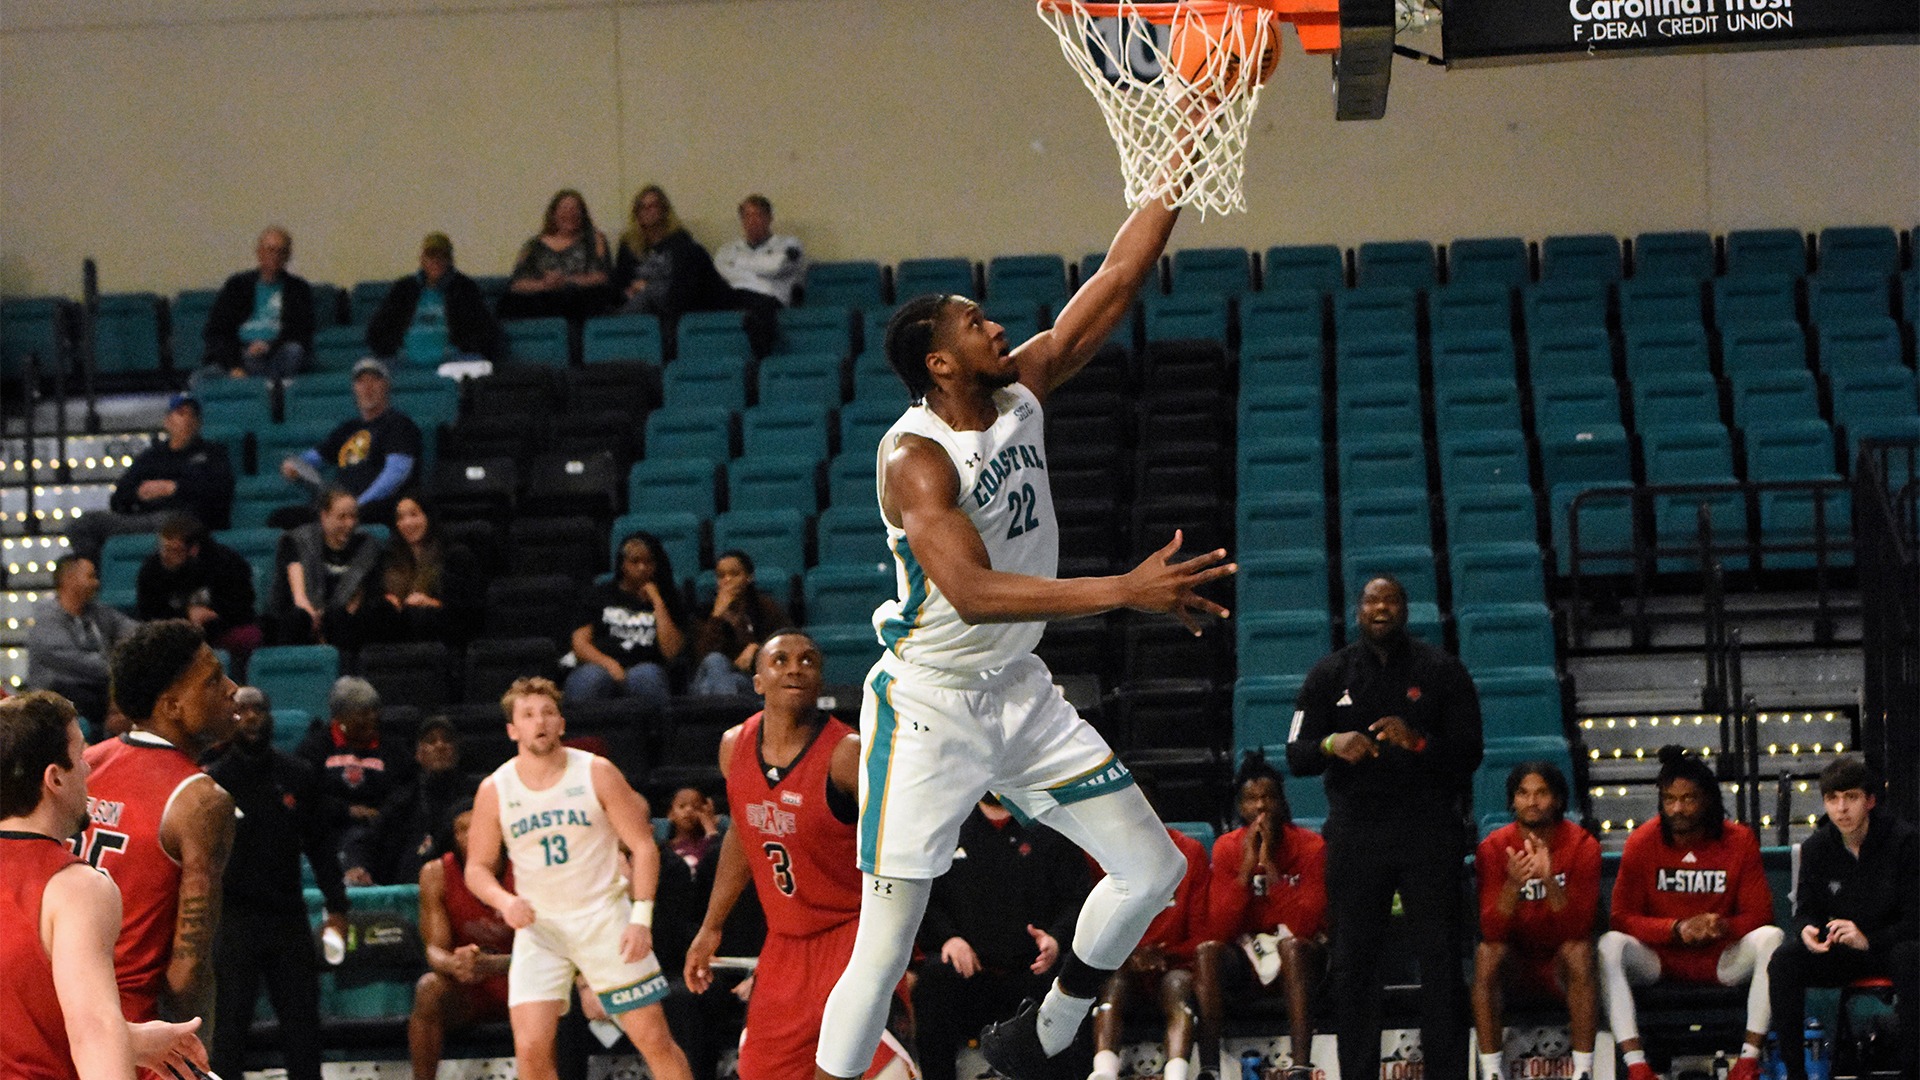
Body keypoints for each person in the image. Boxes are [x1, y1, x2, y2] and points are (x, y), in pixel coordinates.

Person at [812, 194, 1233, 1080]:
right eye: (975, 323)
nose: (997, 325)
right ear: (939, 362)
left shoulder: (1020, 392)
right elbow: (970, 594)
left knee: (1153, 870)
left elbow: (1118, 277)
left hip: (1018, 691)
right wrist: (1125, 591)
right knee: (884, 946)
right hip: (927, 707)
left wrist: (1176, 168)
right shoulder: (917, 458)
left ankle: (1044, 1031)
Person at [684, 630, 911, 1080]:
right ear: (757, 681)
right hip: (785, 944)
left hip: (853, 937)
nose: (795, 668)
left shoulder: (847, 754)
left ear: (820, 680)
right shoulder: (734, 745)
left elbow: (901, 849)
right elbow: (743, 835)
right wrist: (711, 926)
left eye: (808, 661)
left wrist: (899, 943)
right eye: (781, 660)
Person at [1284, 575, 1483, 1080]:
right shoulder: (1328, 674)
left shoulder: (1442, 671)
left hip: (1428, 831)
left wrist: (1417, 742)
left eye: (1390, 600)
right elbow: (1297, 754)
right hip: (1357, 835)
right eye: (1372, 600)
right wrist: (1332, 743)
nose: (1381, 609)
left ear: (1405, 609)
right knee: (1354, 965)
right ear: (1358, 610)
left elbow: (1470, 754)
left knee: (1440, 962)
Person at [463, 677, 695, 1080]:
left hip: (603, 919)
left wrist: (641, 918)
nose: (540, 722)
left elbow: (643, 847)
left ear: (562, 723)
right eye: (528, 715)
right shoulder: (495, 789)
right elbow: (477, 868)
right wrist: (505, 901)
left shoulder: (596, 772)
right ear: (512, 730)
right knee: (531, 1053)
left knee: (654, 1039)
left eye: (548, 712)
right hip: (540, 929)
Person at [0, 690, 212, 1080]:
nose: (88, 768)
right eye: (80, 755)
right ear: (55, 778)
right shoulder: (76, 888)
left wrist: (130, 1039)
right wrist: (111, 1036)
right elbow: (92, 1033)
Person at [76, 619, 238, 1032]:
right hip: (130, 1029)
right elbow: (186, 972)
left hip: (50, 1012)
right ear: (172, 707)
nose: (232, 688)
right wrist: (194, 1051)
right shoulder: (202, 801)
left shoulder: (83, 766)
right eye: (213, 680)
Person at [1597, 747, 1783, 1080]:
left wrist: (1721, 926)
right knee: (1609, 944)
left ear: (1707, 799)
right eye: (1669, 799)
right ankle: (1637, 1066)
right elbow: (1621, 917)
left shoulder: (1739, 840)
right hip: (1659, 959)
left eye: (1688, 799)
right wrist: (1675, 928)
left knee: (1773, 938)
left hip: (1720, 957)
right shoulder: (1642, 841)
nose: (1677, 809)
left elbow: (1761, 914)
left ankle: (1748, 1061)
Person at [204, 685, 351, 1080]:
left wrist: (337, 908)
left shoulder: (297, 775)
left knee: (303, 1029)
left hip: (287, 916)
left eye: (258, 710)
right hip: (233, 920)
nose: (251, 717)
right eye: (241, 711)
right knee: (227, 1030)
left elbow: (321, 847)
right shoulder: (212, 781)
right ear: (230, 720)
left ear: (271, 717)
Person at [914, 796, 1091, 1080]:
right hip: (970, 972)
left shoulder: (1050, 826)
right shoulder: (947, 827)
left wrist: (1056, 939)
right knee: (934, 980)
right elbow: (923, 897)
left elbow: (1078, 899)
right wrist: (948, 938)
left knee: (1072, 980)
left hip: (1034, 968)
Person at [1767, 756, 1916, 1080]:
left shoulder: (1904, 842)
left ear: (1870, 800)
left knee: (1911, 956)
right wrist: (1806, 929)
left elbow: (1915, 919)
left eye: (1851, 797)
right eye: (1832, 799)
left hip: (1892, 946)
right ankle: (1795, 1073)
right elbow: (1806, 908)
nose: (1841, 808)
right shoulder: (1816, 848)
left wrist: (1869, 940)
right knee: (1784, 961)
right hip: (1844, 949)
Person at [1194, 755, 1327, 1080]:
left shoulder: (1311, 846)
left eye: (1268, 797)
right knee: (1207, 952)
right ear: (1240, 808)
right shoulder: (1227, 848)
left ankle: (1300, 1067)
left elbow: (1306, 925)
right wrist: (1246, 869)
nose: (1261, 807)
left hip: (1301, 957)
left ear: (1282, 802)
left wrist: (1270, 867)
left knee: (1292, 947)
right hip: (1247, 956)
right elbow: (1218, 929)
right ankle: (1209, 1069)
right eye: (1251, 799)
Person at [1472, 761, 1601, 1080]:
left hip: (1560, 964)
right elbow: (1491, 930)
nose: (1532, 802)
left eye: (1541, 793)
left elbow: (1579, 928)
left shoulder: (1583, 845)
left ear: (1557, 800)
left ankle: (1583, 1070)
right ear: (1512, 800)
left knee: (1579, 951)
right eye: (1523, 793)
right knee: (1486, 954)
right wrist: (1513, 885)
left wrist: (1549, 881)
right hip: (1516, 964)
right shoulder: (1493, 847)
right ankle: (1492, 1072)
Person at [1088, 795, 1210, 1080]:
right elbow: (1092, 925)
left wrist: (1166, 956)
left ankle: (1176, 1074)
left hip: (1174, 963)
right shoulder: (1100, 855)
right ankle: (1103, 1072)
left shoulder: (1189, 853)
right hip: (1121, 964)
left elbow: (1203, 931)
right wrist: (1127, 957)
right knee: (1112, 987)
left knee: (1177, 989)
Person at [410, 802, 516, 1080]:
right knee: (428, 989)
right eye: (461, 829)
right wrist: (456, 964)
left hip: (520, 983)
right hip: (469, 987)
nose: (470, 836)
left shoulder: (524, 869)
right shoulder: (436, 874)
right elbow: (434, 949)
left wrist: (491, 964)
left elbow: (543, 954)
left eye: (478, 827)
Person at [70, 392, 234, 559]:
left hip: (187, 519)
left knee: (171, 523)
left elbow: (220, 490)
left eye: (192, 415)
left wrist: (174, 488)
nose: (187, 420)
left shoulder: (212, 453)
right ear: (167, 421)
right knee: (83, 525)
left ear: (198, 423)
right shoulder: (151, 457)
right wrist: (139, 494)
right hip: (144, 517)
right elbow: (119, 497)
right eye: (181, 414)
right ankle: (93, 571)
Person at [277, 357, 423, 527]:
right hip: (342, 508)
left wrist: (357, 505)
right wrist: (293, 465)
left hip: (376, 506)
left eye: (374, 381)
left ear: (386, 385)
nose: (367, 388)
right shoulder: (348, 428)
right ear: (354, 388)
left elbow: (396, 474)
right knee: (281, 518)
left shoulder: (399, 424)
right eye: (361, 382)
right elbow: (313, 458)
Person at [297, 676, 413, 885]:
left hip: (380, 827)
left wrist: (381, 814)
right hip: (331, 826)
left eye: (374, 711)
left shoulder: (393, 748)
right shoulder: (315, 747)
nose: (372, 718)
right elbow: (306, 794)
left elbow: (406, 789)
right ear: (340, 717)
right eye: (363, 713)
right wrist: (346, 810)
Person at [566, 530, 688, 711]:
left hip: (645, 668)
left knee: (647, 677)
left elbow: (671, 652)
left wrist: (657, 601)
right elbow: (580, 643)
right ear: (622, 564)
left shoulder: (669, 599)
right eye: (635, 561)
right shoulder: (599, 594)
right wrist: (610, 665)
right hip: (600, 664)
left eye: (649, 562)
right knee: (591, 678)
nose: (642, 568)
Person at [26, 555, 139, 731]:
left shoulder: (98, 613)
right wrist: (119, 669)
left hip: (97, 690)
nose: (96, 583)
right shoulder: (46, 621)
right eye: (91, 576)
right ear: (69, 579)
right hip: (58, 695)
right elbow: (74, 663)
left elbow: (134, 630)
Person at [359, 495, 484, 648]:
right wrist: (387, 600)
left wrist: (432, 603)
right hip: (397, 637)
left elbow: (468, 611)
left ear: (428, 517)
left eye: (414, 515)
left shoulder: (455, 556)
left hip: (441, 638)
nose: (407, 523)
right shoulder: (388, 558)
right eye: (400, 518)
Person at [365, 231, 502, 368]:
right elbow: (377, 330)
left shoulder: (465, 288)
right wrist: (395, 350)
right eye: (431, 255)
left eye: (442, 256)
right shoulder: (404, 288)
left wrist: (461, 348)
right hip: (403, 362)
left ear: (450, 260)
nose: (436, 261)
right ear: (422, 259)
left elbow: (485, 331)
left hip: (453, 361)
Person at [135, 512, 262, 657]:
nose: (165, 555)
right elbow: (148, 614)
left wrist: (210, 617)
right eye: (163, 548)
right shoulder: (151, 569)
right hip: (174, 634)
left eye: (174, 550)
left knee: (246, 636)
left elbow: (241, 607)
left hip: (221, 628)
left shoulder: (227, 563)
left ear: (193, 550)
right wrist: (186, 616)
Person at [374, 715, 482, 885]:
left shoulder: (479, 795)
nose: (440, 746)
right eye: (431, 741)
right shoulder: (402, 801)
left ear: (456, 751)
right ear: (418, 754)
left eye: (447, 740)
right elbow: (374, 842)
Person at [271, 487, 382, 647]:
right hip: (307, 616)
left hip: (343, 621)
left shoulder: (366, 547)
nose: (350, 523)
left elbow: (356, 599)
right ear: (324, 516)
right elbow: (299, 596)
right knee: (298, 618)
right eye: (342, 517)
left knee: (342, 619)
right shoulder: (300, 541)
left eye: (353, 516)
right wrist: (314, 616)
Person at [200, 226, 315, 381]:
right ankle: (262, 382)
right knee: (199, 379)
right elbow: (217, 331)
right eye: (270, 250)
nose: (275, 256)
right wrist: (235, 366)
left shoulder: (298, 288)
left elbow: (300, 331)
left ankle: (268, 385)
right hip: (242, 354)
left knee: (294, 351)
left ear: (288, 256)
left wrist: (269, 346)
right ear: (259, 253)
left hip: (276, 353)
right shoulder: (237, 285)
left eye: (281, 251)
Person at [612, 185, 732, 324]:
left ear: (664, 210)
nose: (647, 211)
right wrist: (628, 291)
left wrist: (647, 287)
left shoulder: (681, 243)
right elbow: (621, 281)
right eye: (642, 207)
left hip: (671, 304)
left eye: (652, 206)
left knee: (649, 296)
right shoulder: (628, 245)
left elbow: (682, 285)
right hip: (638, 304)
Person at [498, 189, 616, 322]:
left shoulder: (595, 240)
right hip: (541, 299)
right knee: (510, 302)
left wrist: (565, 280)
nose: (570, 213)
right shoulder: (534, 245)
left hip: (578, 301)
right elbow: (517, 283)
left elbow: (603, 277)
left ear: (583, 214)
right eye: (564, 208)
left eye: (575, 209)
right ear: (553, 214)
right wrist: (545, 284)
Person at [713, 194, 806, 357]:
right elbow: (720, 271)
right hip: (735, 298)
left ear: (769, 218)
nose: (753, 221)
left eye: (758, 215)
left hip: (770, 300)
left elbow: (777, 267)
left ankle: (761, 361)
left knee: (760, 311)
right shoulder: (727, 250)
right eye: (747, 216)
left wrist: (738, 265)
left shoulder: (789, 244)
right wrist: (761, 269)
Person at [690, 550, 790, 696]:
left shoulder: (765, 608)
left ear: (749, 577)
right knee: (715, 661)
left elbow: (786, 645)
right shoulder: (704, 613)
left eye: (734, 574)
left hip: (749, 680)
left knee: (724, 684)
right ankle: (730, 709)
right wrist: (716, 617)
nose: (727, 580)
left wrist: (758, 649)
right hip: (708, 677)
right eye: (721, 576)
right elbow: (699, 658)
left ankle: (727, 708)